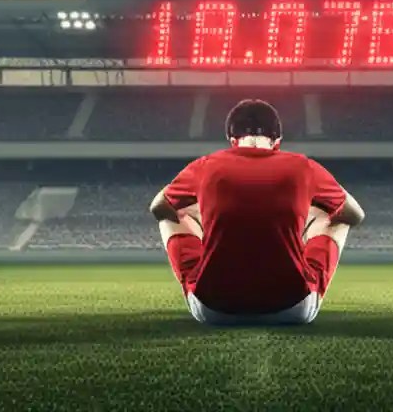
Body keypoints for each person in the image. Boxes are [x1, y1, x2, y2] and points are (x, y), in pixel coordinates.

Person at [149, 98, 365, 325]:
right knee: (331, 217)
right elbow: (355, 214)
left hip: (214, 309)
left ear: (232, 140)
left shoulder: (205, 165)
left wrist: (207, 220)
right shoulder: (304, 166)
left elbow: (158, 207)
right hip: (292, 308)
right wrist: (303, 222)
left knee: (175, 214)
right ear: (277, 141)